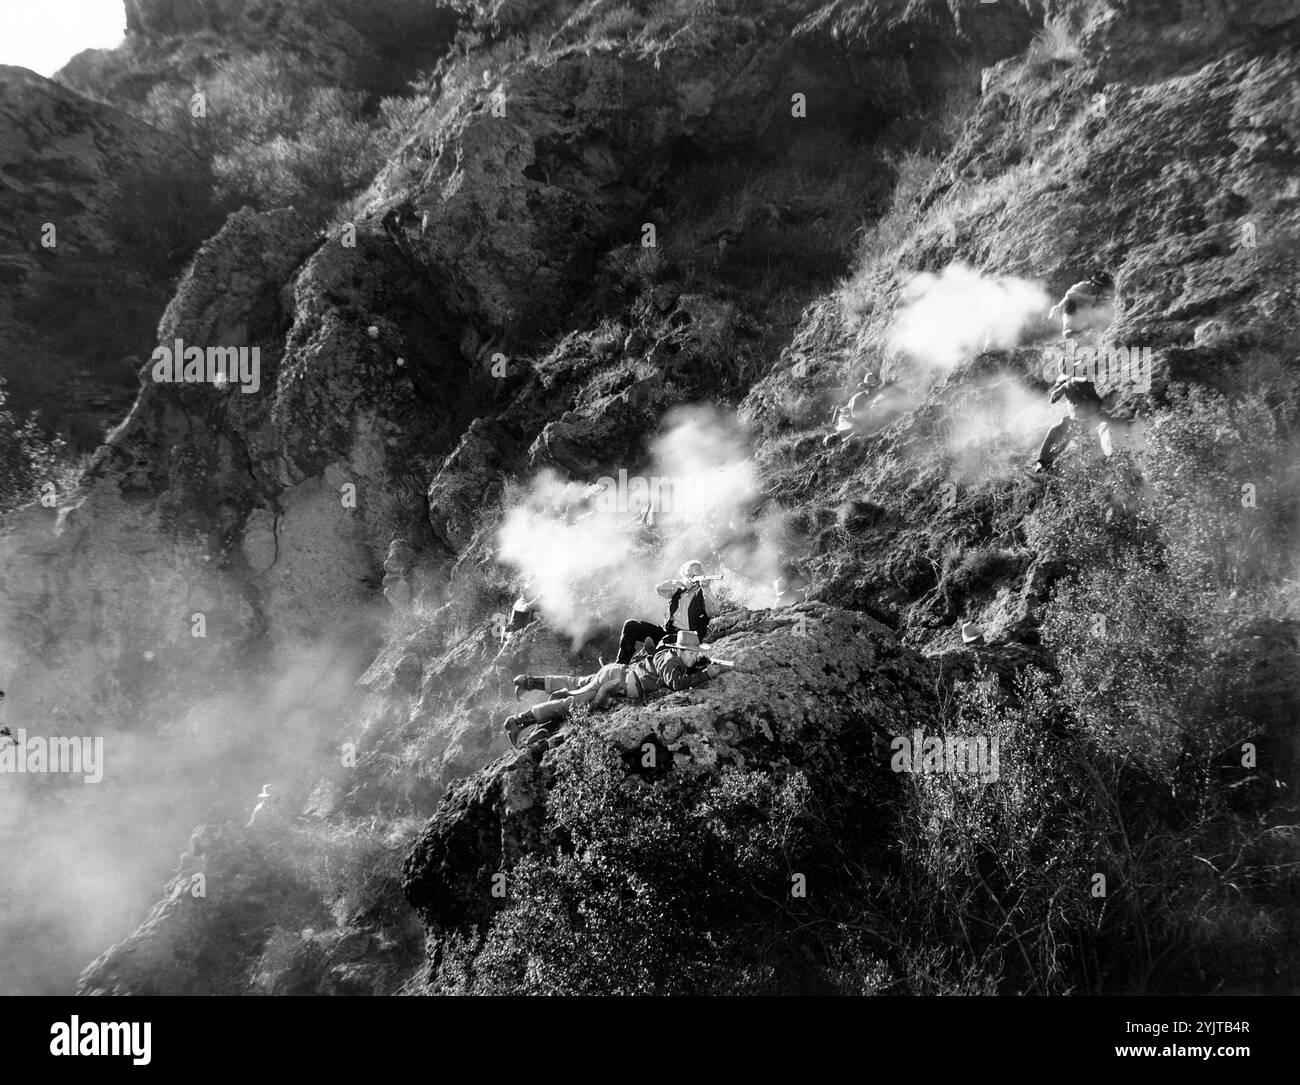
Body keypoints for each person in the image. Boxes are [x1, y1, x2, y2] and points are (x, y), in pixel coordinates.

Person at [504, 630, 730, 748]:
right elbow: (677, 683)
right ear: (679, 650)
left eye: (696, 653)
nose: (694, 656)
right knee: (573, 703)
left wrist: (702, 664)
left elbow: (682, 673)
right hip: (615, 681)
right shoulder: (670, 661)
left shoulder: (674, 658)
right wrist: (706, 675)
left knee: (575, 685)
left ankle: (529, 682)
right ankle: (519, 721)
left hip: (616, 674)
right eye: (691, 652)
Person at [614, 559, 722, 665]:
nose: (694, 579)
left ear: (702, 574)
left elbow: (715, 610)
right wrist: (679, 583)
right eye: (690, 575)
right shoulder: (678, 589)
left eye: (697, 575)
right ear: (685, 576)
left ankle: (657, 655)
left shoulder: (704, 595)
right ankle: (620, 665)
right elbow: (659, 589)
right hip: (667, 631)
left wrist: (706, 589)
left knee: (665, 647)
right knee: (631, 625)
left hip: (686, 640)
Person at [1033, 374, 1110, 472]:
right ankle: (1107, 456)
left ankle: (1043, 463)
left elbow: (1053, 398)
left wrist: (1057, 393)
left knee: (1059, 428)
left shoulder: (1068, 385)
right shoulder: (1087, 382)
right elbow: (1098, 401)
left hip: (1081, 422)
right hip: (1092, 419)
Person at [1048, 271, 1112, 340]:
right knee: (1070, 302)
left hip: (1077, 317)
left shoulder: (1098, 293)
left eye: (1101, 287)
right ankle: (1069, 331)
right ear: (1092, 283)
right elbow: (1069, 294)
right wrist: (1089, 298)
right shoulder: (1083, 285)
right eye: (1098, 286)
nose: (1099, 289)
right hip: (1061, 314)